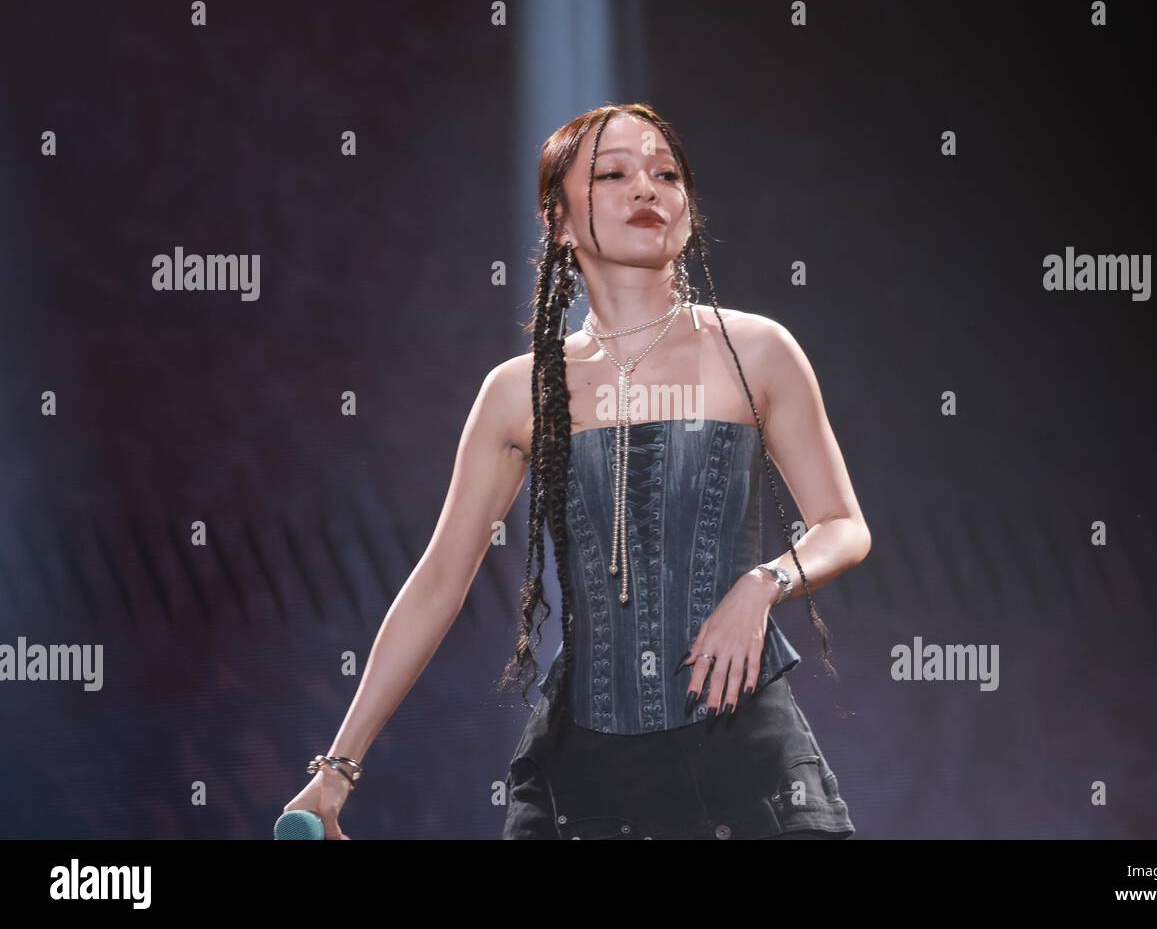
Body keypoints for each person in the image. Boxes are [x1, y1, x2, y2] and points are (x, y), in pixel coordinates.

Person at [282, 103, 872, 840]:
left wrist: (764, 583)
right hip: (583, 775)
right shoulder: (519, 391)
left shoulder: (757, 352)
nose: (647, 189)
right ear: (558, 221)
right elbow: (438, 582)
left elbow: (842, 525)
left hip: (747, 761)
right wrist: (336, 770)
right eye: (613, 174)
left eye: (666, 174)